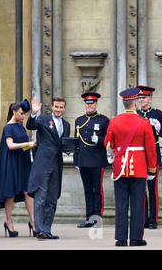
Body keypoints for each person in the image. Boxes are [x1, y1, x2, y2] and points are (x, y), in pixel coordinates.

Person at [104, 87, 157, 247]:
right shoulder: (144, 123)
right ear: (135, 104)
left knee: (120, 204)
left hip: (120, 167)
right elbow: (151, 149)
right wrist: (152, 169)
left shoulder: (114, 121)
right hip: (139, 167)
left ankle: (121, 238)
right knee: (138, 204)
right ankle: (135, 238)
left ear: (124, 104)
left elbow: (108, 144)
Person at [26, 96, 70, 239]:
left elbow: (63, 144)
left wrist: (69, 149)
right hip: (43, 165)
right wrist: (33, 113)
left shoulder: (67, 125)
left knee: (52, 199)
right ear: (52, 107)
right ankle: (39, 230)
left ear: (64, 108)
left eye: (61, 107)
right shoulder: (43, 120)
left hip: (57, 165)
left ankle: (47, 229)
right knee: (40, 198)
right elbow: (30, 126)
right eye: (56, 107)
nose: (58, 110)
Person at [0, 100, 36, 238]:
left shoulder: (21, 127)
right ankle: (9, 222)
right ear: (14, 112)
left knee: (28, 191)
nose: (23, 116)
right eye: (22, 113)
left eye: (25, 114)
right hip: (11, 162)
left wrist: (31, 146)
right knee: (9, 192)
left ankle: (34, 222)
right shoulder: (8, 127)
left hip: (22, 161)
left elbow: (20, 145)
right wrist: (28, 143)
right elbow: (10, 145)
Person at [136, 85, 162, 229]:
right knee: (140, 189)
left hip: (153, 155)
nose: (141, 100)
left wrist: (158, 127)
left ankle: (153, 220)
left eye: (144, 97)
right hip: (139, 155)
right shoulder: (136, 114)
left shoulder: (157, 114)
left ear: (150, 99)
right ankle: (142, 219)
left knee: (152, 189)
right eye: (140, 97)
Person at [73, 92, 109, 228]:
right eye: (87, 103)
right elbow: (76, 143)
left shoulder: (103, 120)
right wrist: (76, 160)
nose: (89, 105)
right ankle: (89, 217)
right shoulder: (79, 120)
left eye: (92, 103)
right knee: (87, 190)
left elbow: (108, 141)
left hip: (97, 160)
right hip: (83, 160)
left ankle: (97, 218)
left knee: (97, 190)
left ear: (96, 104)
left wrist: (98, 140)